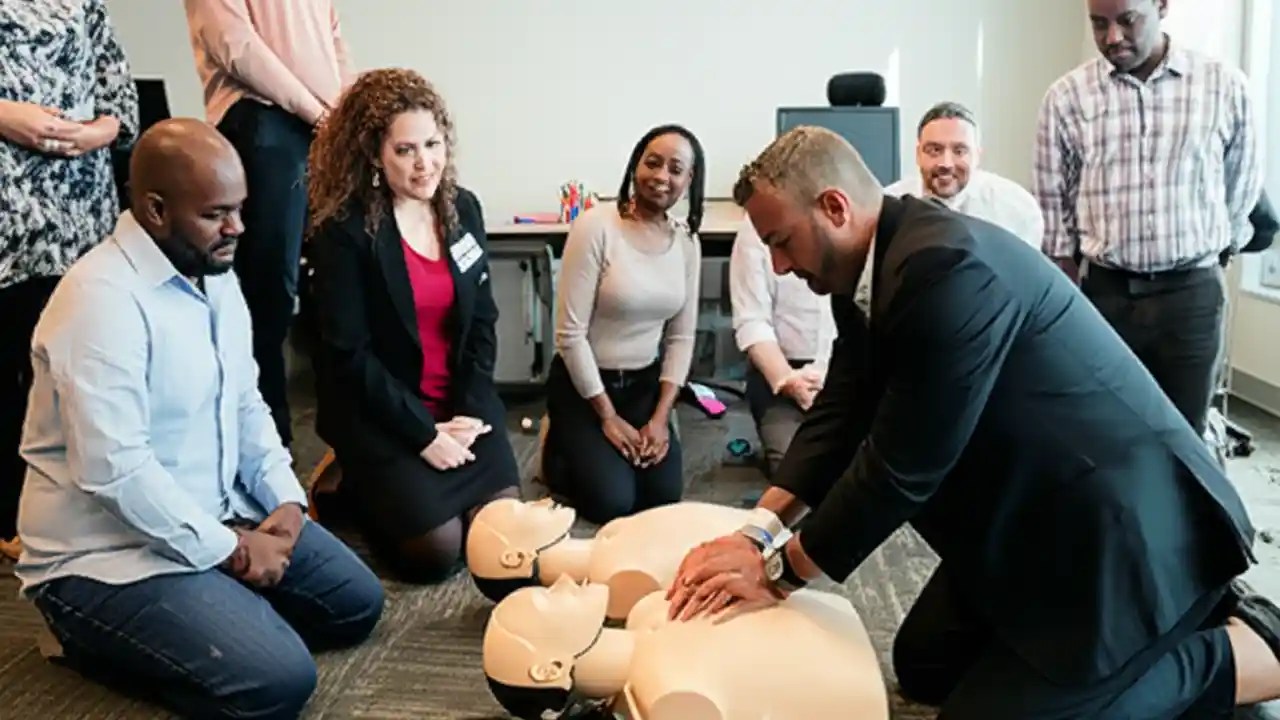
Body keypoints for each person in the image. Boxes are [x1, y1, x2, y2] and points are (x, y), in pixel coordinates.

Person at [665, 125, 1280, 718]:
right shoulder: (870, 270)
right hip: (1031, 515)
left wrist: (778, 573)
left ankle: (1238, 649)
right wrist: (758, 530)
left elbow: (901, 468)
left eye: (781, 241)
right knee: (924, 665)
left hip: (1119, 535)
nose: (775, 266)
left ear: (834, 207)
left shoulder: (946, 269)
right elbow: (841, 412)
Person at [14, 118, 383, 719]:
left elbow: (245, 403)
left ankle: (212, 608)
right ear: (155, 210)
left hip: (212, 510)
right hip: (106, 553)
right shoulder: (101, 300)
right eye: (217, 214)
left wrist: (285, 503)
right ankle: (81, 636)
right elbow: (117, 472)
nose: (238, 227)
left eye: (240, 208)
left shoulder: (213, 273)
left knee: (354, 603)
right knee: (280, 681)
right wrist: (233, 552)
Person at [304, 68, 521, 583]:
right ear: (374, 154)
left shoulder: (462, 208)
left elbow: (483, 321)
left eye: (433, 143)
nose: (425, 163)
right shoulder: (345, 231)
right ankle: (347, 487)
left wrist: (469, 411)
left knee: (505, 533)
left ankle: (421, 485)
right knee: (437, 553)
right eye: (405, 150)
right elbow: (348, 356)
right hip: (383, 415)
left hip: (458, 404)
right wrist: (423, 435)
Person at [1032, 0, 1262, 437]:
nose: (1112, 37)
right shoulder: (1066, 97)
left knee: (1185, 437)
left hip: (1191, 295)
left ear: (1161, 5)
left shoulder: (1223, 86)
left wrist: (1214, 246)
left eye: (1127, 20)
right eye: (1098, 24)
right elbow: (1050, 195)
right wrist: (1066, 275)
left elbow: (1243, 184)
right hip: (1105, 295)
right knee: (1106, 434)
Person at [184, 0, 357, 449]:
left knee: (342, 286)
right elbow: (237, 47)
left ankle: (354, 451)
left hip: (321, 128)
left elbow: (334, 40)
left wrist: (346, 116)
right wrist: (318, 114)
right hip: (262, 120)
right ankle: (264, 448)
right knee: (266, 296)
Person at [0, 0, 138, 554]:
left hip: (79, 204)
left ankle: (89, 501)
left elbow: (119, 99)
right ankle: (13, 516)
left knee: (80, 361)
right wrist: (8, 115)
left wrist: (94, 134)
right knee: (12, 360)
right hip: (8, 209)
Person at [543, 125, 704, 525]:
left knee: (661, 498)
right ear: (635, 166)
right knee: (611, 503)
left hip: (642, 387)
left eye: (675, 168)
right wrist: (607, 417)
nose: (661, 176)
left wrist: (660, 418)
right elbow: (570, 333)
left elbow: (681, 338)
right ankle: (556, 441)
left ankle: (599, 446)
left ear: (688, 180)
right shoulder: (596, 226)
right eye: (652, 162)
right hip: (584, 388)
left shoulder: (687, 242)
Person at [482, 577, 889, 720]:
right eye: (549, 599)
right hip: (855, 691)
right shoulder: (668, 698)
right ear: (549, 669)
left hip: (836, 642)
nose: (566, 582)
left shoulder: (647, 613)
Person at [466, 496, 771, 620]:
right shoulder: (618, 576)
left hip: (762, 534)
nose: (542, 501)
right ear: (514, 557)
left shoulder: (606, 546)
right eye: (524, 510)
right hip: (766, 557)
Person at [729, 217, 836, 478]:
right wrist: (787, 379)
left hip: (845, 367)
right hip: (780, 374)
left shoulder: (849, 216)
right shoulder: (756, 226)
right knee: (794, 474)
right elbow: (752, 321)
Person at [883, 101, 1043, 247]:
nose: (946, 163)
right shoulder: (887, 207)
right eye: (934, 150)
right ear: (918, 154)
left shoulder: (1016, 209)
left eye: (959, 151)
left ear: (977, 156)